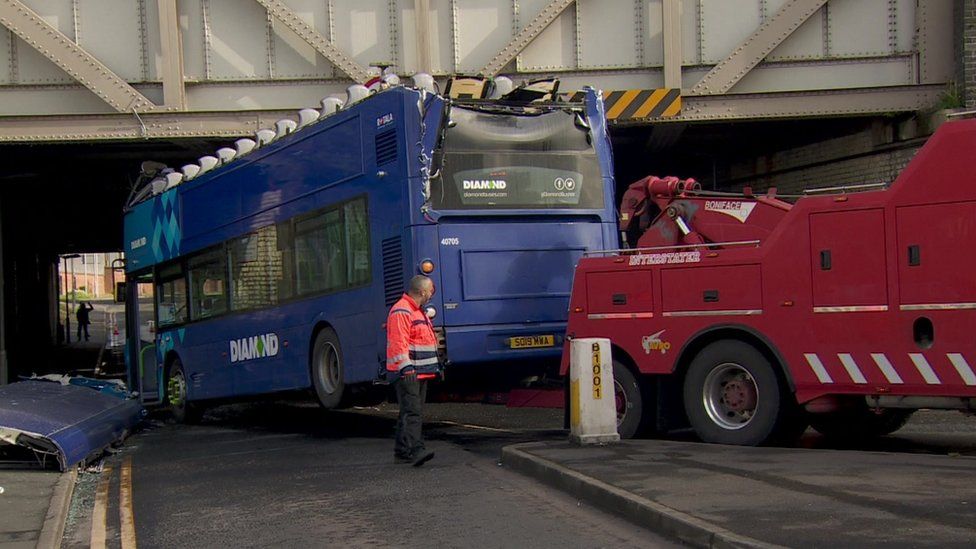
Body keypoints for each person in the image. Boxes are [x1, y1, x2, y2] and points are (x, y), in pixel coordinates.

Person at [386, 275, 440, 466]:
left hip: (419, 370)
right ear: (422, 292)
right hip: (408, 372)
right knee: (413, 412)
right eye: (430, 291)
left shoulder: (417, 311)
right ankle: (417, 450)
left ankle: (401, 451)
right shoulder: (402, 310)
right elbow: (399, 342)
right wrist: (406, 367)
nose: (431, 294)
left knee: (408, 412)